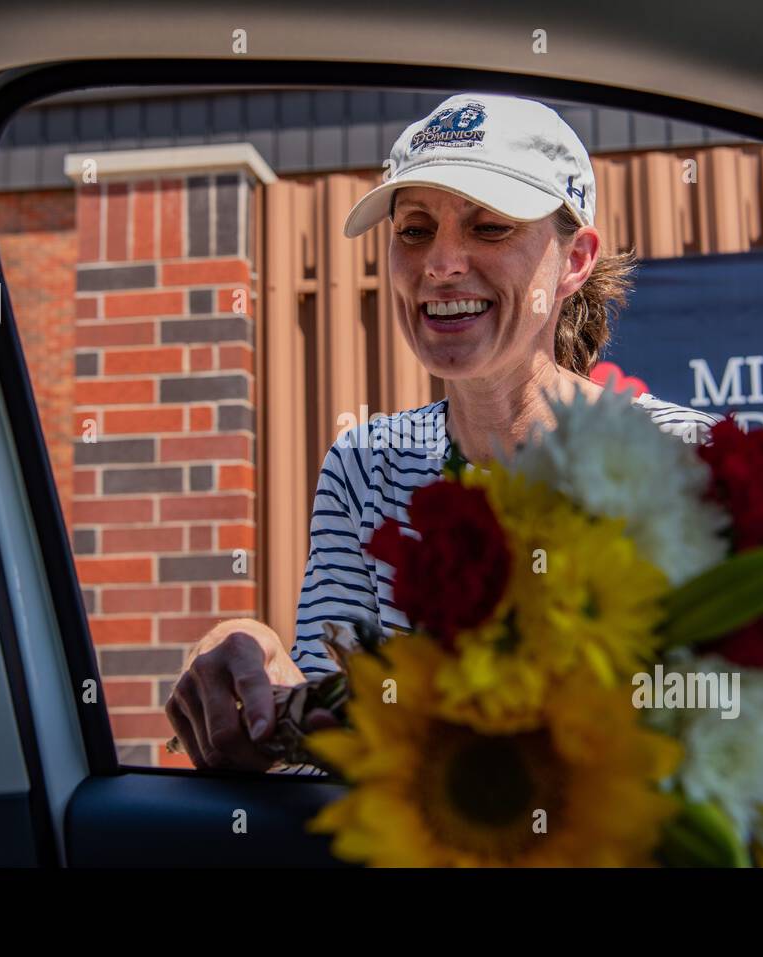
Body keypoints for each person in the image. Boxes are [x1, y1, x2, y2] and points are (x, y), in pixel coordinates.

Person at [164, 92, 718, 772]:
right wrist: (257, 662)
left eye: (488, 227)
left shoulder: (689, 460)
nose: (441, 263)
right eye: (415, 229)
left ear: (573, 260)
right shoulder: (364, 467)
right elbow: (331, 759)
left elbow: (726, 740)